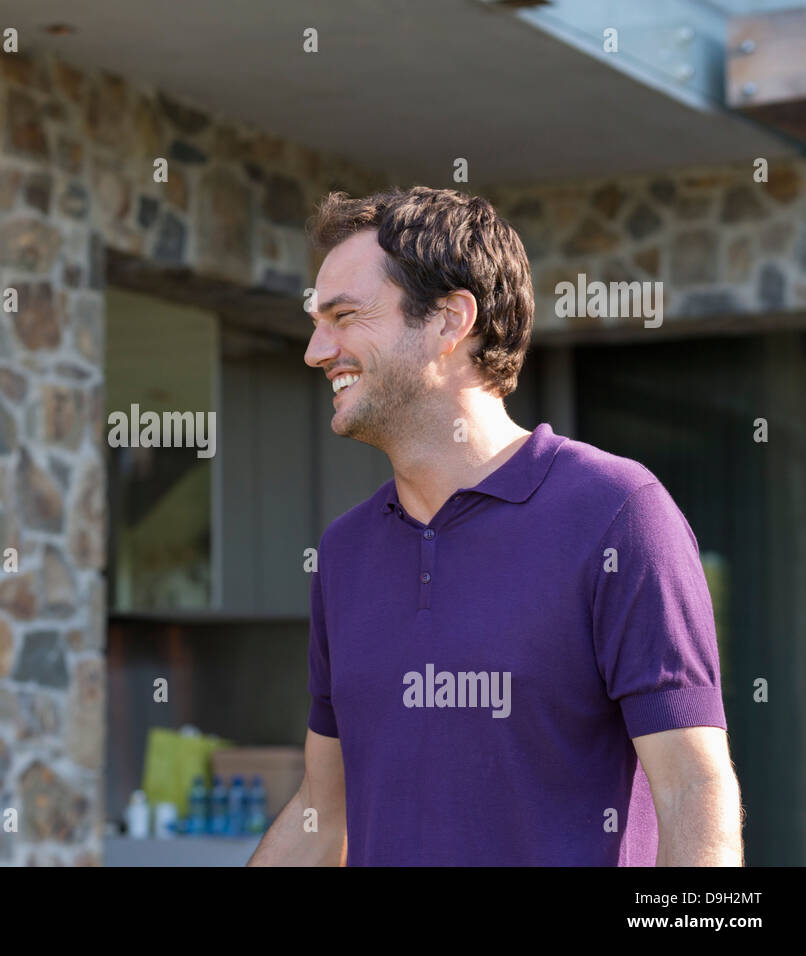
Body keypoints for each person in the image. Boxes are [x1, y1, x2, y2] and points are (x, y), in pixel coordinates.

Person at [249, 186, 742, 866]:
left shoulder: (616, 513)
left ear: (451, 320)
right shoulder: (344, 552)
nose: (314, 349)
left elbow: (692, 789)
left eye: (344, 316)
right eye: (316, 320)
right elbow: (322, 812)